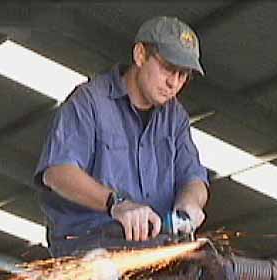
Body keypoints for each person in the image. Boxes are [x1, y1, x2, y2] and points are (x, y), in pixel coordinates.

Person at [34, 16, 210, 254]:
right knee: (102, 279)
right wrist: (116, 204)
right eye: (168, 68)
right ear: (140, 55)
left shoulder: (175, 118)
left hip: (150, 250)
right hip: (87, 249)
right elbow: (57, 173)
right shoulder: (90, 102)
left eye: (183, 76)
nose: (173, 83)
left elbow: (194, 178)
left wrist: (189, 203)